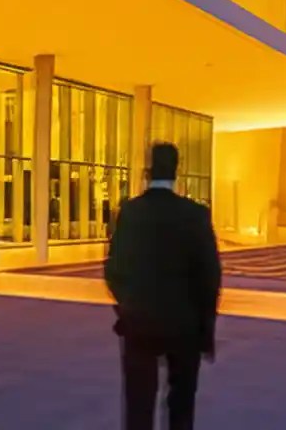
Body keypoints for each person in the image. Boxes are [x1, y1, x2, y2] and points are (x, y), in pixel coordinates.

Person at [105, 143, 221, 430]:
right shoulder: (196, 214)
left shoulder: (131, 212)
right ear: (176, 171)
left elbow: (114, 269)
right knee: (181, 404)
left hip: (140, 322)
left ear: (148, 171)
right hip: (185, 325)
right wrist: (206, 330)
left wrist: (127, 306)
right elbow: (210, 276)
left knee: (139, 405)